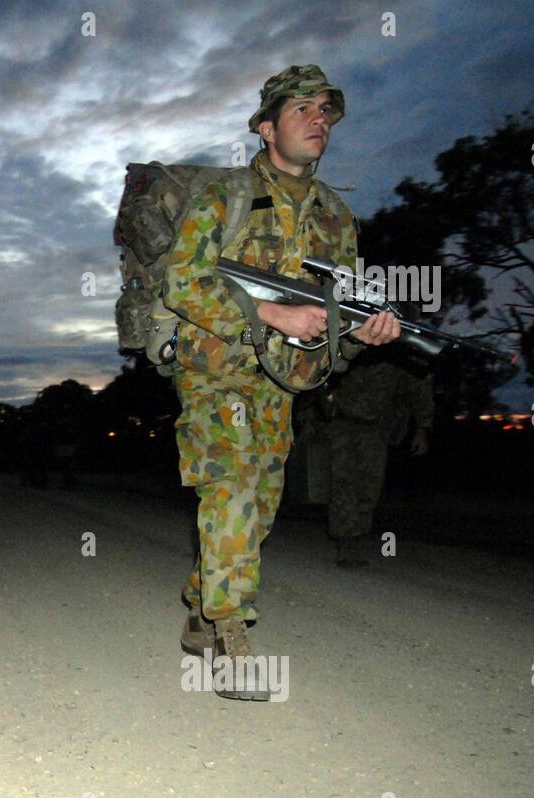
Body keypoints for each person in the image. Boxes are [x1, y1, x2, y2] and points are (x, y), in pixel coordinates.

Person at [163, 65, 401, 698]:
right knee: (234, 490)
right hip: (215, 370)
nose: (320, 120)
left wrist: (360, 332)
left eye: (327, 111)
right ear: (267, 128)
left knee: (256, 510)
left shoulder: (336, 217)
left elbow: (339, 308)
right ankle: (232, 636)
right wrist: (268, 311)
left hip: (281, 382)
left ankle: (201, 600)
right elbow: (182, 282)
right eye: (304, 110)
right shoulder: (226, 198)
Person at [328, 349, 433, 566]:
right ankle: (347, 542)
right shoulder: (350, 345)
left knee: (369, 486)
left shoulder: (397, 355)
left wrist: (422, 428)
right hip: (342, 425)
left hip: (376, 429)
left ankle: (358, 535)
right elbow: (320, 377)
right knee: (343, 484)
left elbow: (419, 388)